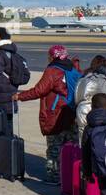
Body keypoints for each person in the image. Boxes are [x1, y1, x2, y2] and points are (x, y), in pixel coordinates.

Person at [15, 44, 79, 183]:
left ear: (52, 56)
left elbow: (40, 90)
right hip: (72, 113)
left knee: (54, 148)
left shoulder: (53, 70)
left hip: (56, 114)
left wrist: (20, 96)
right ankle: (71, 177)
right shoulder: (73, 68)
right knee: (71, 147)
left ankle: (55, 177)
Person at [0, 27, 29, 136]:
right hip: (11, 96)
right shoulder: (14, 54)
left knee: (0, 127)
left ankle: (4, 150)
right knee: (8, 125)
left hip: (0, 97)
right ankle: (10, 150)